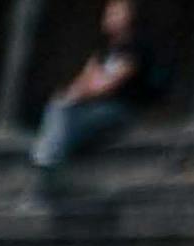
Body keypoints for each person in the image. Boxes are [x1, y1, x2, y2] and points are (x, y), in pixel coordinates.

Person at [33, 0, 150, 186]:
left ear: (130, 17)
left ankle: (48, 158)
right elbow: (87, 77)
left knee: (63, 113)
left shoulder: (134, 49)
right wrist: (70, 94)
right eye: (109, 14)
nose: (110, 19)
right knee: (59, 105)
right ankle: (48, 156)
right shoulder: (103, 49)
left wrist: (77, 95)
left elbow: (108, 85)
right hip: (92, 104)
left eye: (116, 14)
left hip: (117, 110)